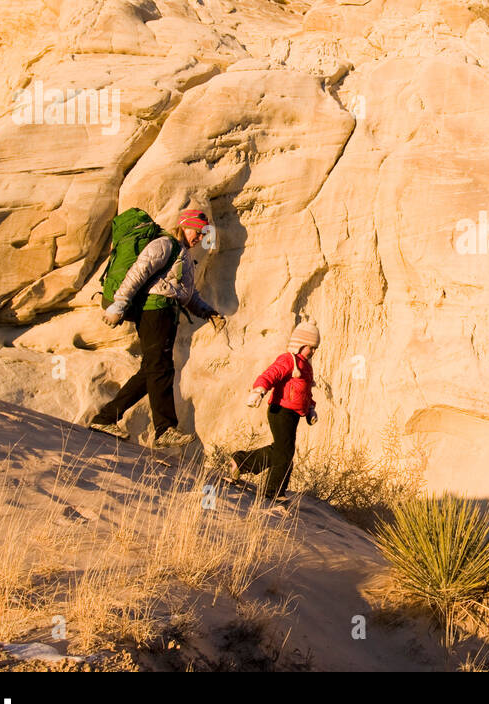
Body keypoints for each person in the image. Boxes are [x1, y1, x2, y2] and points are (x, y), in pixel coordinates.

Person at [88, 208, 224, 446]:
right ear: (183, 225)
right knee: (161, 368)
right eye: (197, 232)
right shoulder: (164, 245)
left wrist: (207, 312)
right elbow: (138, 272)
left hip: (166, 314)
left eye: (204, 234)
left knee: (150, 371)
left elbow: (188, 294)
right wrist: (119, 304)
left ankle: (106, 418)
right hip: (154, 311)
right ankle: (165, 429)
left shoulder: (183, 255)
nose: (200, 238)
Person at [231, 321, 320, 500]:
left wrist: (311, 409)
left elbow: (306, 392)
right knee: (284, 451)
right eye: (311, 347)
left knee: (283, 451)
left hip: (293, 414)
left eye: (315, 348)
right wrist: (259, 391)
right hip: (280, 411)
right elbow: (270, 374)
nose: (313, 352)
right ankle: (271, 491)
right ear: (300, 345)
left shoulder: (306, 367)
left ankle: (243, 464)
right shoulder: (288, 360)